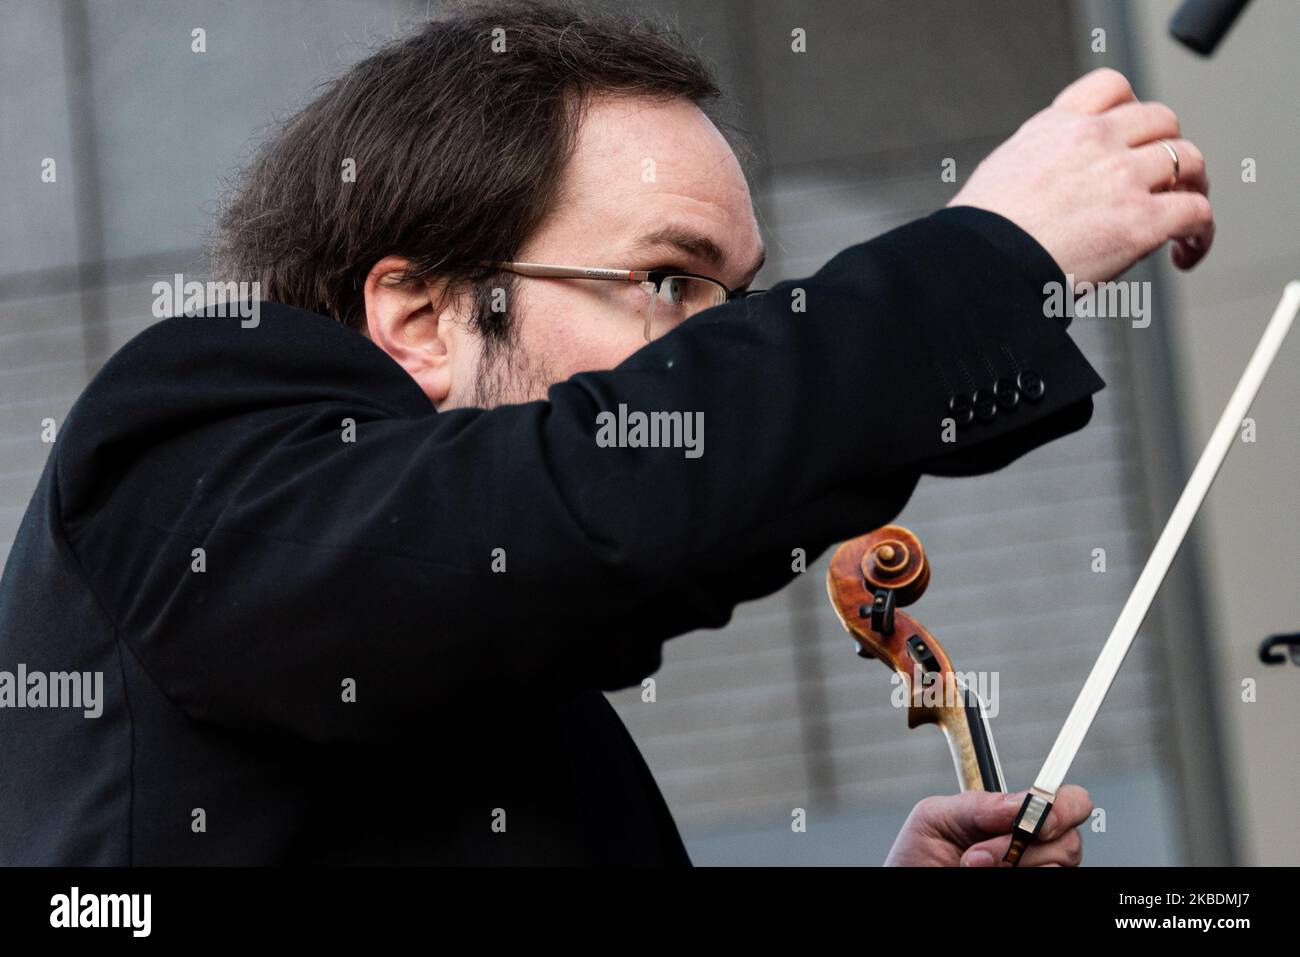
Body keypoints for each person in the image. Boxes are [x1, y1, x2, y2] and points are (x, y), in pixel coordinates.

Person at [0, 0, 1212, 866]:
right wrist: (986, 259)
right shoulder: (194, 434)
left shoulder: (513, 696)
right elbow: (592, 501)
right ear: (421, 315)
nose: (710, 345)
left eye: (730, 300)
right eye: (670, 281)